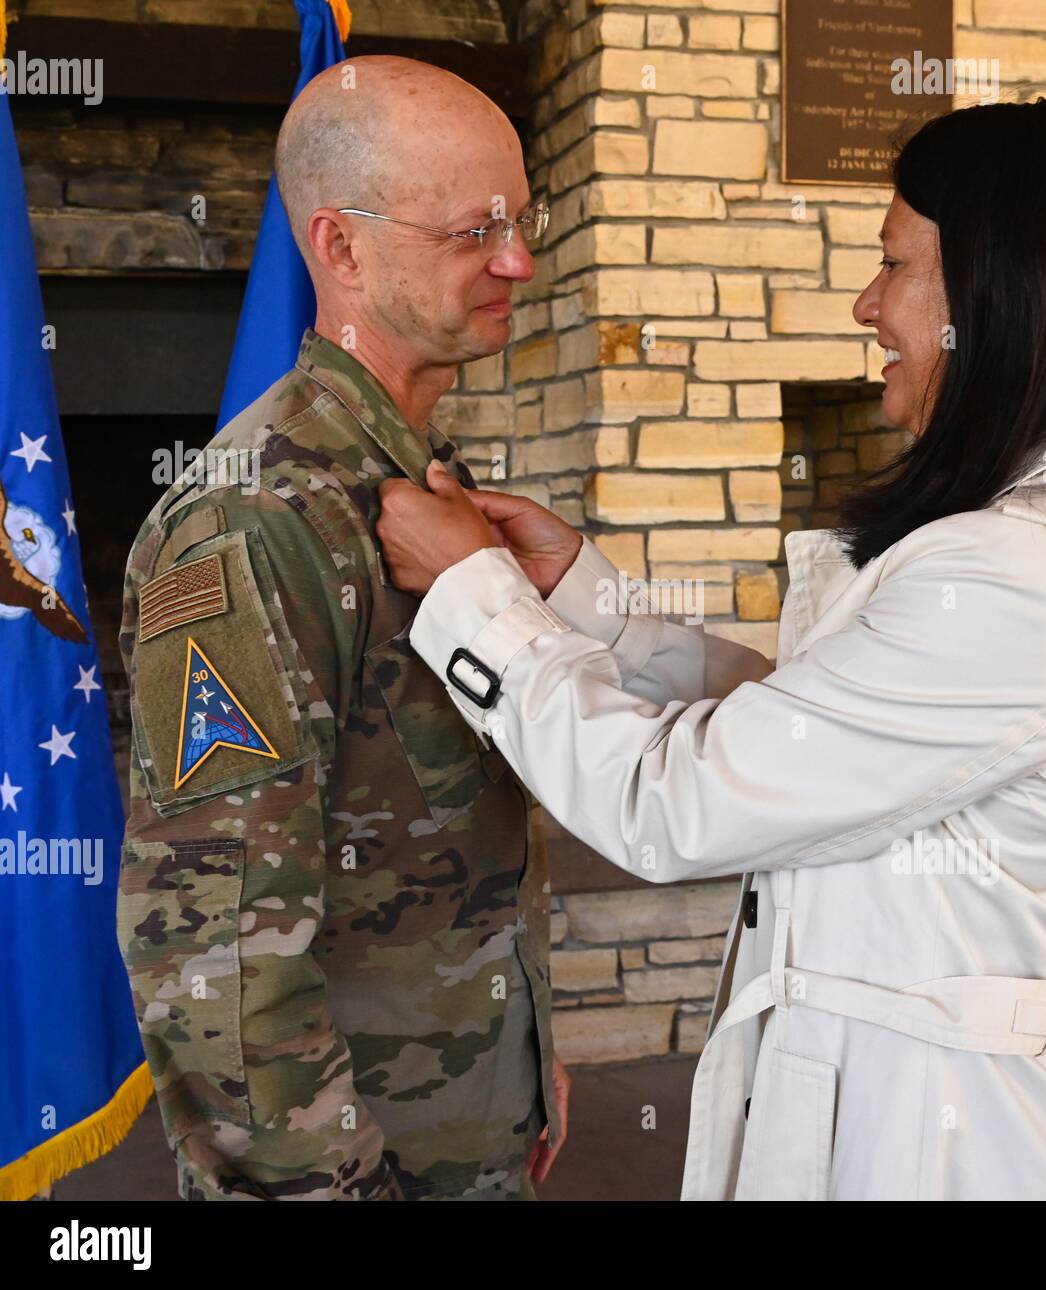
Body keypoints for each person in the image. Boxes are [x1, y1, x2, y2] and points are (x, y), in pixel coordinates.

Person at [376, 100, 1046, 1200]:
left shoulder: (1020, 572)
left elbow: (672, 803)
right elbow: (825, 721)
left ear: (1006, 292)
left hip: (946, 1140)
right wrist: (584, 608)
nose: (865, 304)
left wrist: (470, 597)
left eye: (892, 266)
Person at [117, 56, 568, 1201]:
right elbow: (213, 946)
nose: (517, 261)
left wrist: (525, 1063)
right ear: (343, 246)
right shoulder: (253, 520)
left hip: (466, 1127)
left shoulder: (425, 482)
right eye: (474, 229)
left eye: (522, 219)